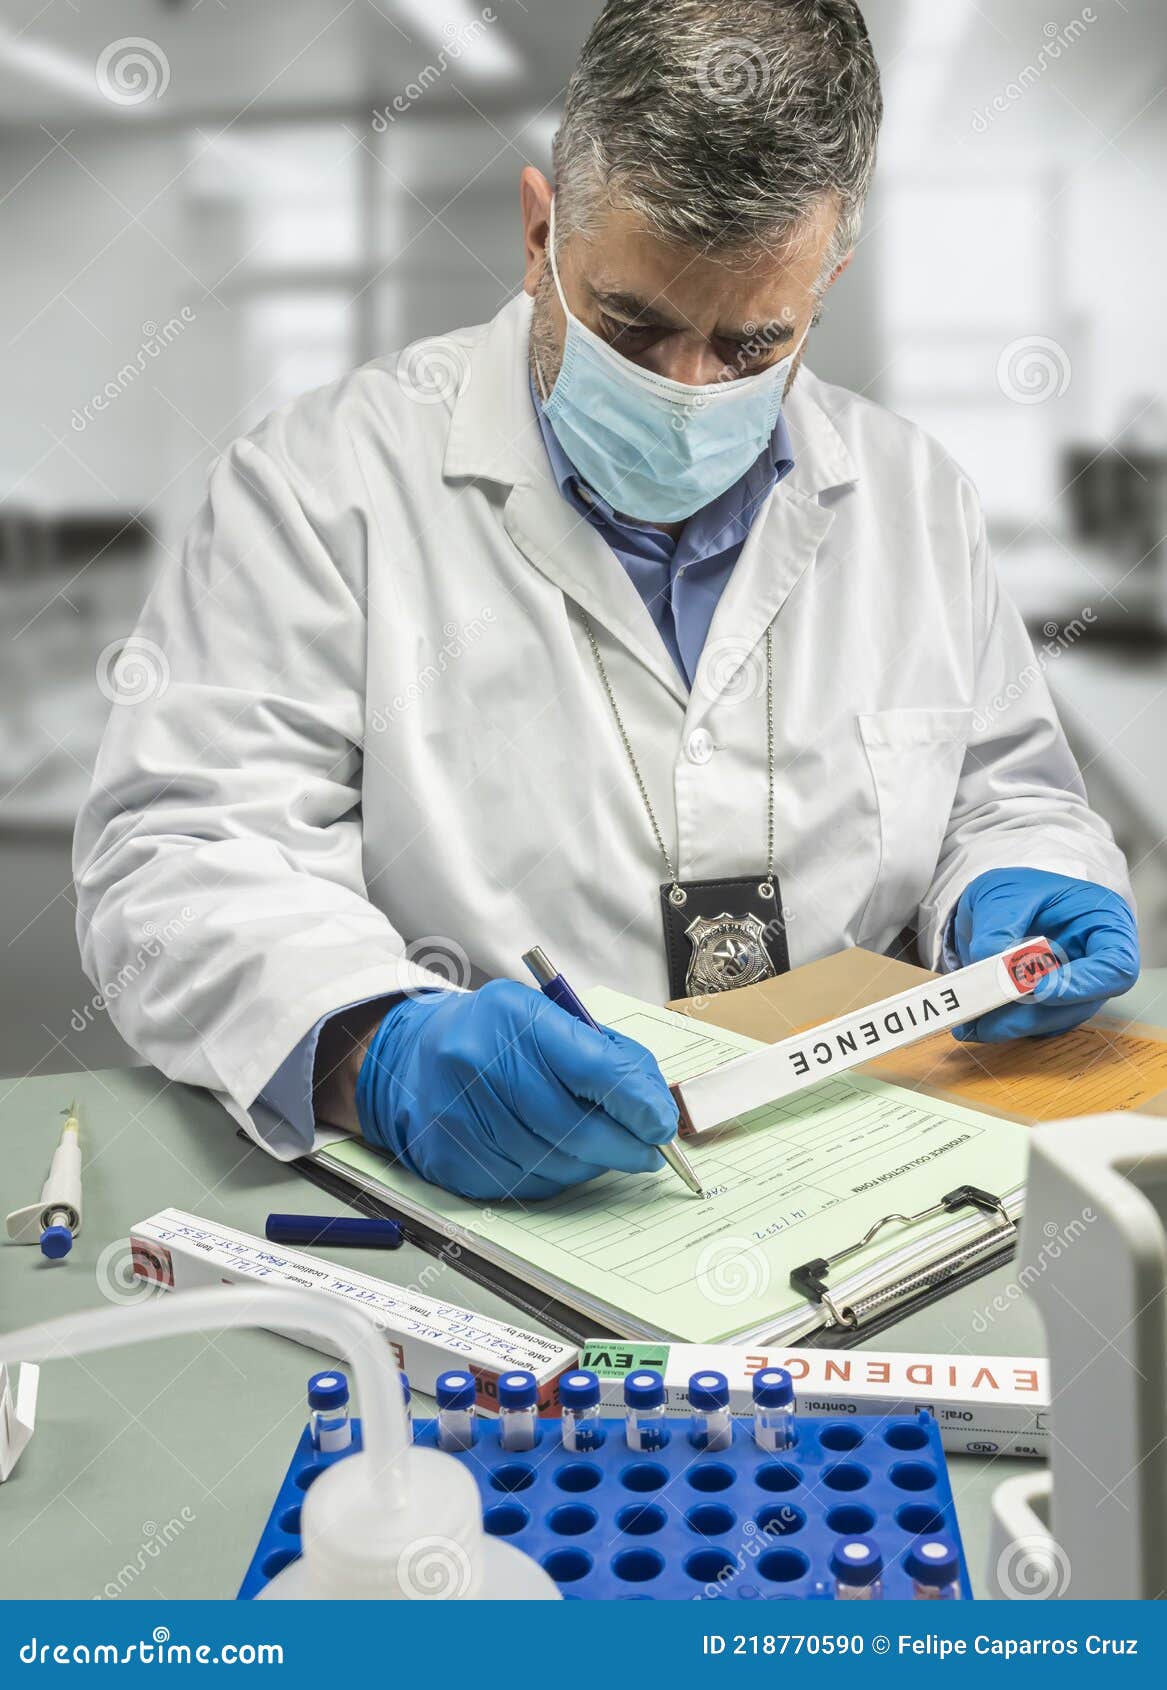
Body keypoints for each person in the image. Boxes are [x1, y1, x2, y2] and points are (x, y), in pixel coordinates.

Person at [74, 0, 1138, 1202]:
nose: (688, 391)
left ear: (826, 285)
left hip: (870, 1171)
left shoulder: (916, 500)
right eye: (634, 327)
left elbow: (1005, 796)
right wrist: (377, 1048)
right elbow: (178, 856)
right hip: (500, 1215)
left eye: (750, 346)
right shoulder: (319, 487)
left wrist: (1013, 878)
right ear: (539, 235)